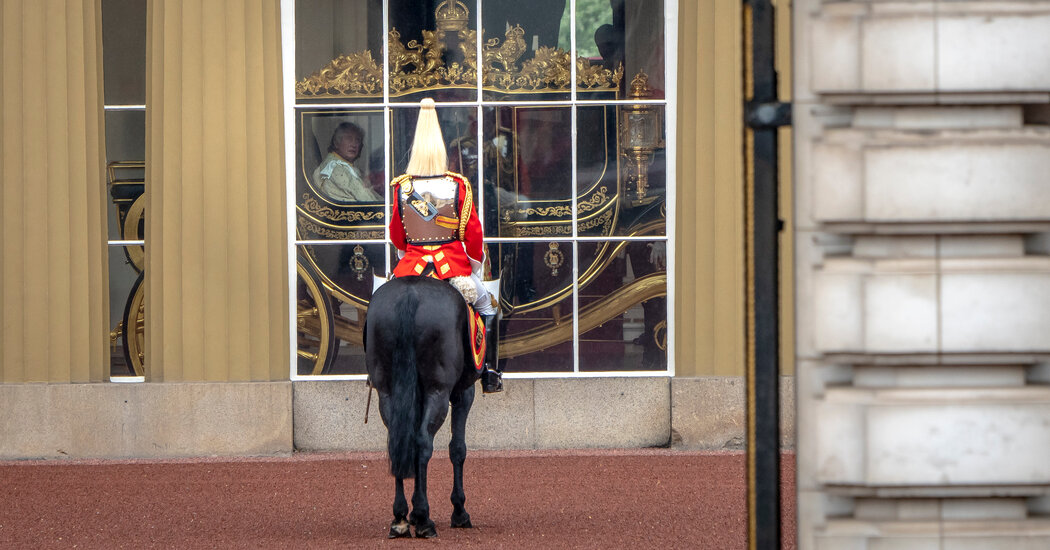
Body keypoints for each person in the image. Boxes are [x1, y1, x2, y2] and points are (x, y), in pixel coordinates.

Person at [389, 98, 503, 393]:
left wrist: (408, 255)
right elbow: (474, 235)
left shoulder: (402, 187)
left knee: (379, 303)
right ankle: (490, 371)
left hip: (409, 268)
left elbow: (397, 235)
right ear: (442, 148)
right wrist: (473, 268)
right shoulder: (458, 184)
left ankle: (374, 369)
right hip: (451, 269)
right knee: (487, 307)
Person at [313, 122, 382, 202]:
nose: (354, 144)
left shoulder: (348, 167)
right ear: (336, 143)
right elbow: (368, 201)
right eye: (349, 138)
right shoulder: (335, 168)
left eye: (357, 140)